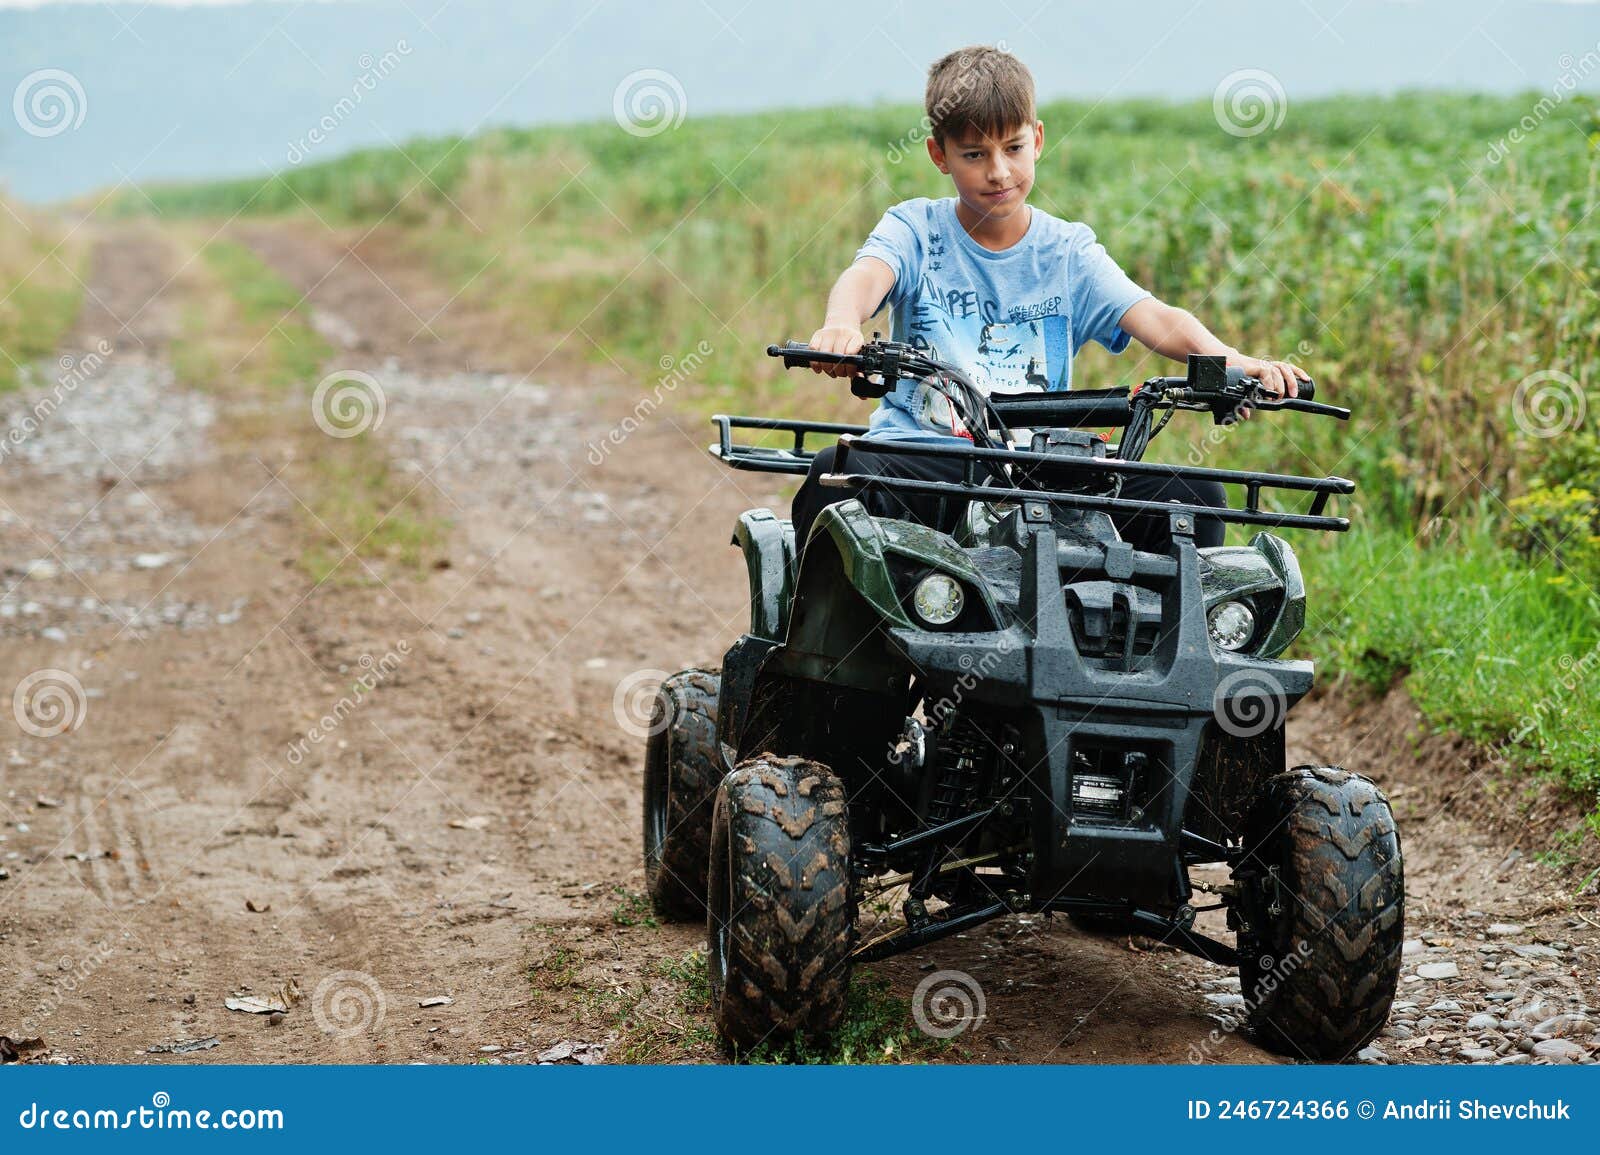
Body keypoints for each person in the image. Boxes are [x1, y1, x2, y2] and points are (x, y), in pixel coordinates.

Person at [790, 45, 1308, 553]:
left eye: (1012, 148)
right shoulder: (916, 228)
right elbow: (867, 275)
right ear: (938, 155)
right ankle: (818, 631)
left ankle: (1142, 636)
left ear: (1037, 140)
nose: (999, 172)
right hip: (929, 462)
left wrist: (1237, 363)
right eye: (974, 154)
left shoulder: (1068, 251)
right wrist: (842, 324)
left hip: (1042, 471)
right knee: (836, 474)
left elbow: (1154, 315)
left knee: (1194, 498)